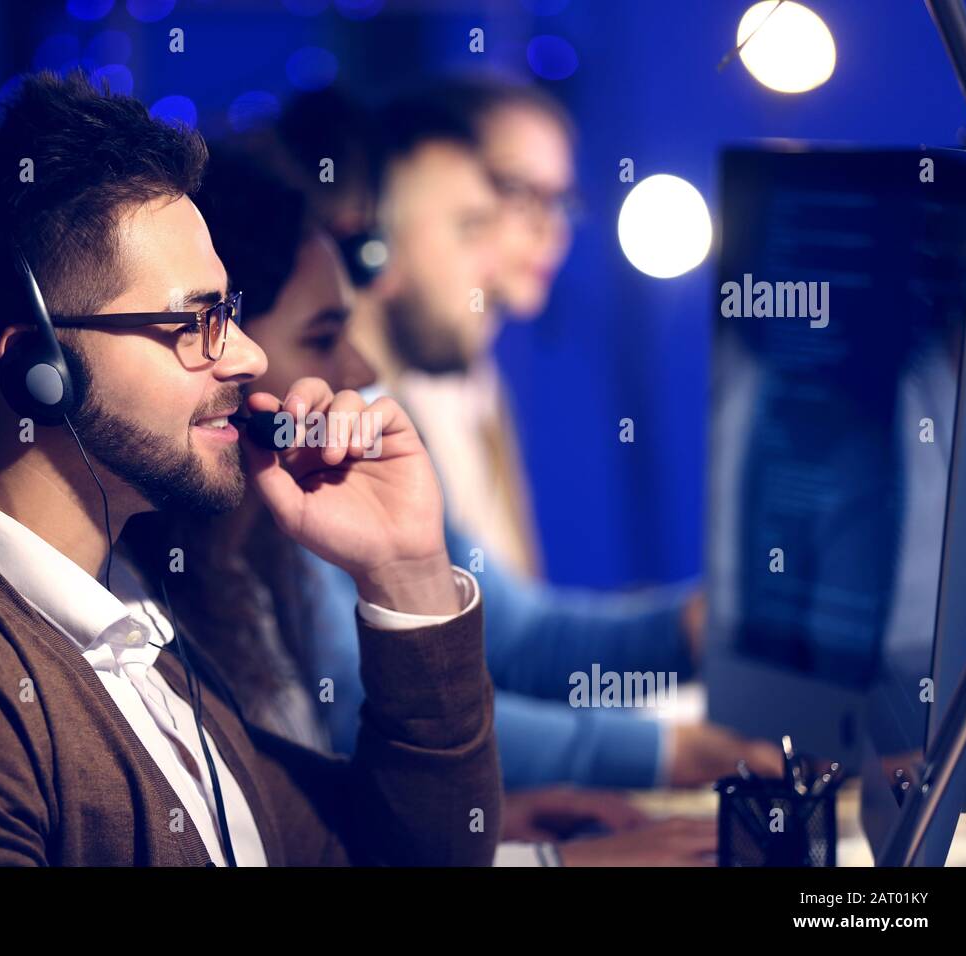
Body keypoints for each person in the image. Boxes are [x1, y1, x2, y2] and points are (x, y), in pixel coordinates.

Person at [0, 71, 500, 867]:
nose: (247, 355)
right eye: (195, 322)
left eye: (230, 312)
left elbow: (398, 857)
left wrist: (406, 573)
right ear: (40, 368)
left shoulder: (127, 613)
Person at [125, 145, 716, 865]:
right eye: (473, 224)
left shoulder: (260, 550)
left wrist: (503, 840)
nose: (512, 249)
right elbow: (349, 734)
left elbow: (346, 836)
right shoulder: (141, 602)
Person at [311, 82, 784, 788]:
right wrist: (669, 753)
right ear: (372, 250)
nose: (505, 252)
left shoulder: (385, 412)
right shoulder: (321, 433)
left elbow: (516, 636)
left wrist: (704, 627)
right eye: (475, 225)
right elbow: (355, 708)